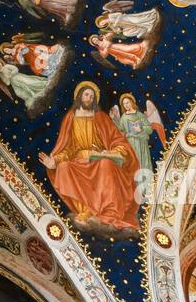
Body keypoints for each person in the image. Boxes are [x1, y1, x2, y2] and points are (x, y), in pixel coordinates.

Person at [38, 82, 140, 233]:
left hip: (99, 158)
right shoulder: (70, 118)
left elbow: (117, 140)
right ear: (79, 96)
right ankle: (86, 209)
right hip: (79, 160)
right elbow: (68, 147)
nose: (89, 98)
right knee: (64, 168)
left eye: (92, 96)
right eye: (86, 95)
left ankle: (108, 211)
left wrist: (113, 152)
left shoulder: (101, 117)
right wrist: (56, 161)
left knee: (105, 164)